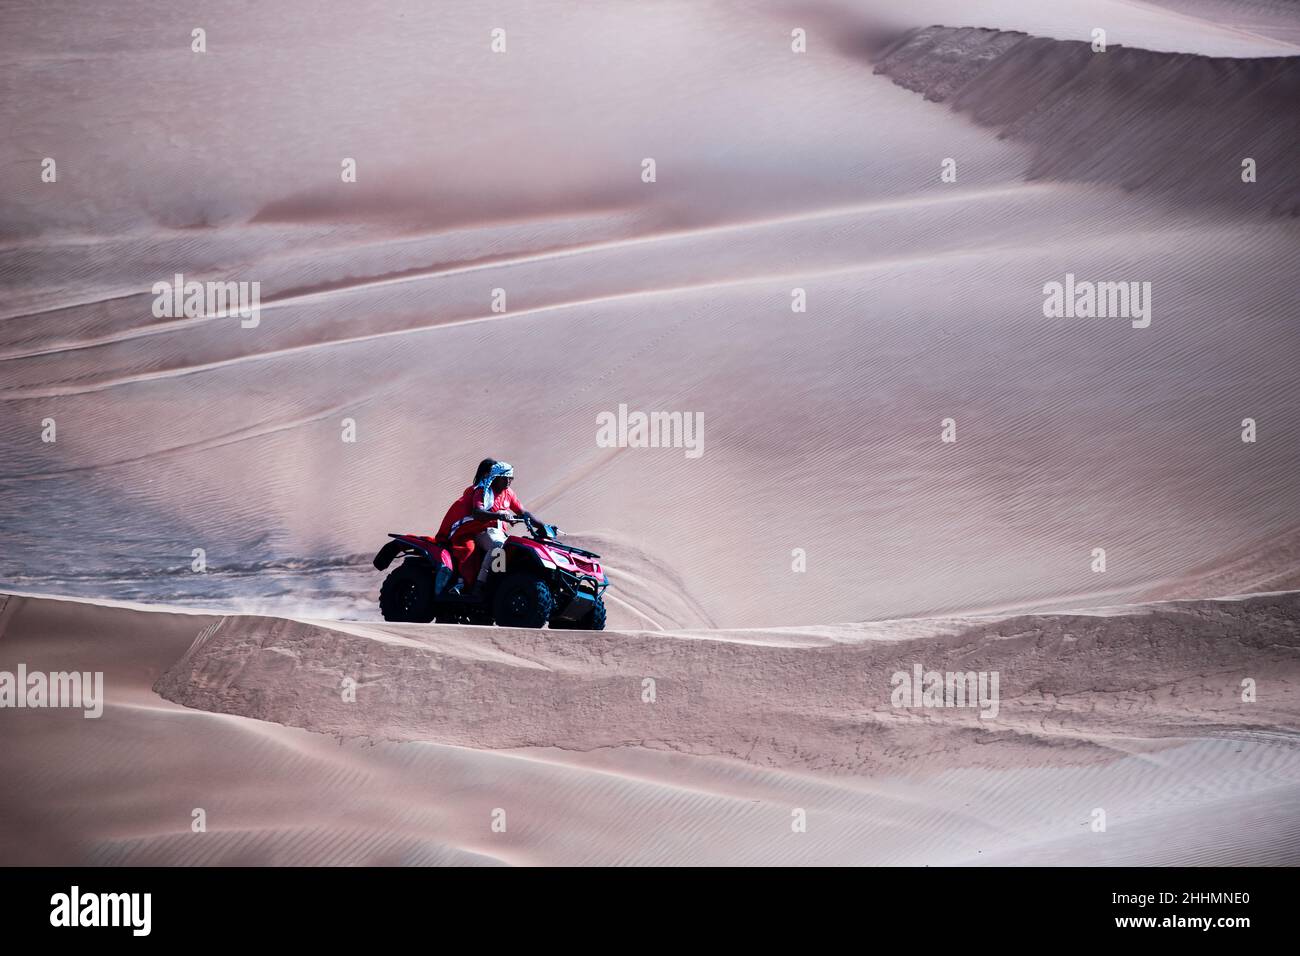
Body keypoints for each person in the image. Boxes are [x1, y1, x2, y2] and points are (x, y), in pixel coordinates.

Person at [447, 460, 531, 596]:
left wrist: (541, 524)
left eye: (511, 478)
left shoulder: (508, 493)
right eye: (507, 478)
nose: (510, 481)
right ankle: (480, 585)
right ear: (495, 476)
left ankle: (502, 583)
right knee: (496, 547)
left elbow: (523, 511)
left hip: (499, 532)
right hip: (476, 530)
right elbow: (476, 513)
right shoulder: (480, 490)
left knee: (513, 548)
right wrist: (499, 515)